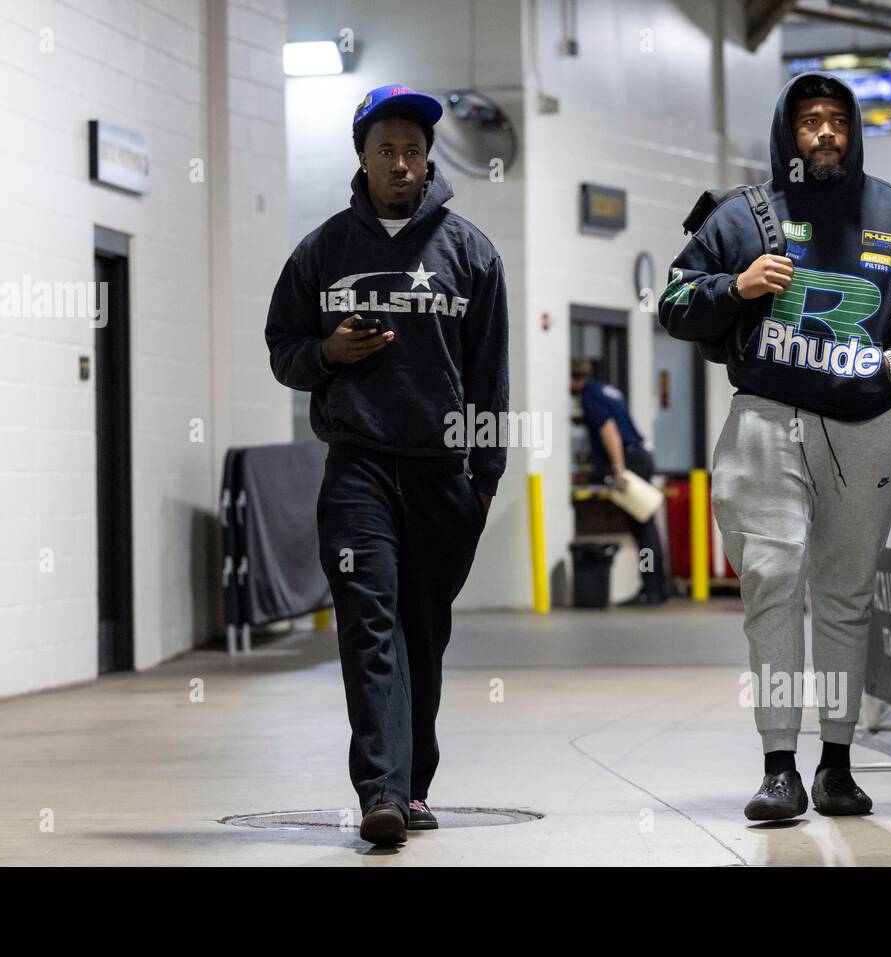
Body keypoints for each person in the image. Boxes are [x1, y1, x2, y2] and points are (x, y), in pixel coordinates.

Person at [659, 72, 891, 820]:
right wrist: (733, 288)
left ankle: (835, 765)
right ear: (787, 132)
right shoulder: (741, 218)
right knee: (770, 583)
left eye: (836, 119)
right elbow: (671, 302)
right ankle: (778, 767)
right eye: (809, 121)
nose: (824, 132)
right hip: (766, 420)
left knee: (845, 597)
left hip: (867, 427)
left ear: (853, 130)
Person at [264, 84, 509, 846]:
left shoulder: (471, 254)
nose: (401, 163)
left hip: (443, 475)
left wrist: (486, 476)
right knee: (369, 623)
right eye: (385, 151)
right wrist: (329, 354)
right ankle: (382, 790)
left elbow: (490, 374)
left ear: (428, 157)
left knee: (421, 633)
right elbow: (284, 354)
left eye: (412, 150)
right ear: (362, 160)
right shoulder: (322, 252)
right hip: (359, 467)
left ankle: (416, 782)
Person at [570, 359, 668, 605]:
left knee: (643, 529)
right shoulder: (606, 390)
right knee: (647, 528)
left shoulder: (590, 396)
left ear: (573, 379)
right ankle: (655, 587)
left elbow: (609, 430)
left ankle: (651, 590)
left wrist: (618, 469)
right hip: (640, 453)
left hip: (629, 460)